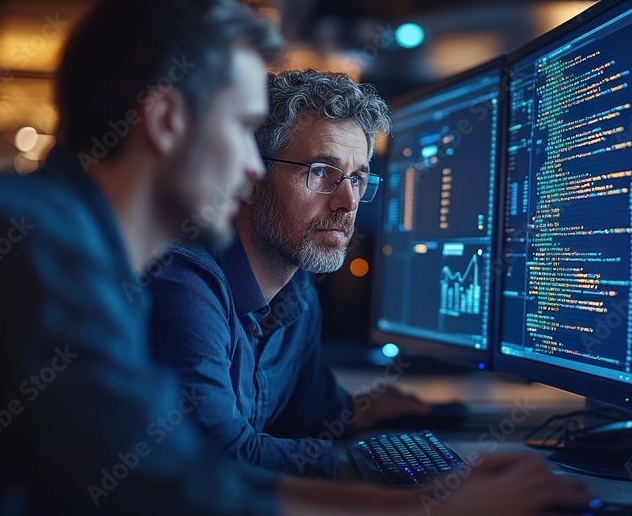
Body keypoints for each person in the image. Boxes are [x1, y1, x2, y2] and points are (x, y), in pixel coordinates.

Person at [0, 0, 593, 515]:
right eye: (240, 127)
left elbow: (198, 480)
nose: (253, 165)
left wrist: (426, 496)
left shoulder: (64, 240)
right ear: (165, 119)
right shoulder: (40, 256)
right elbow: (183, 493)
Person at [147, 69, 427, 477]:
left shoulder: (298, 293)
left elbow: (317, 414)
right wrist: (380, 472)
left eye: (358, 178)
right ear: (250, 178)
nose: (348, 201)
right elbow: (216, 459)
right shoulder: (181, 282)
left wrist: (359, 413)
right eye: (320, 172)